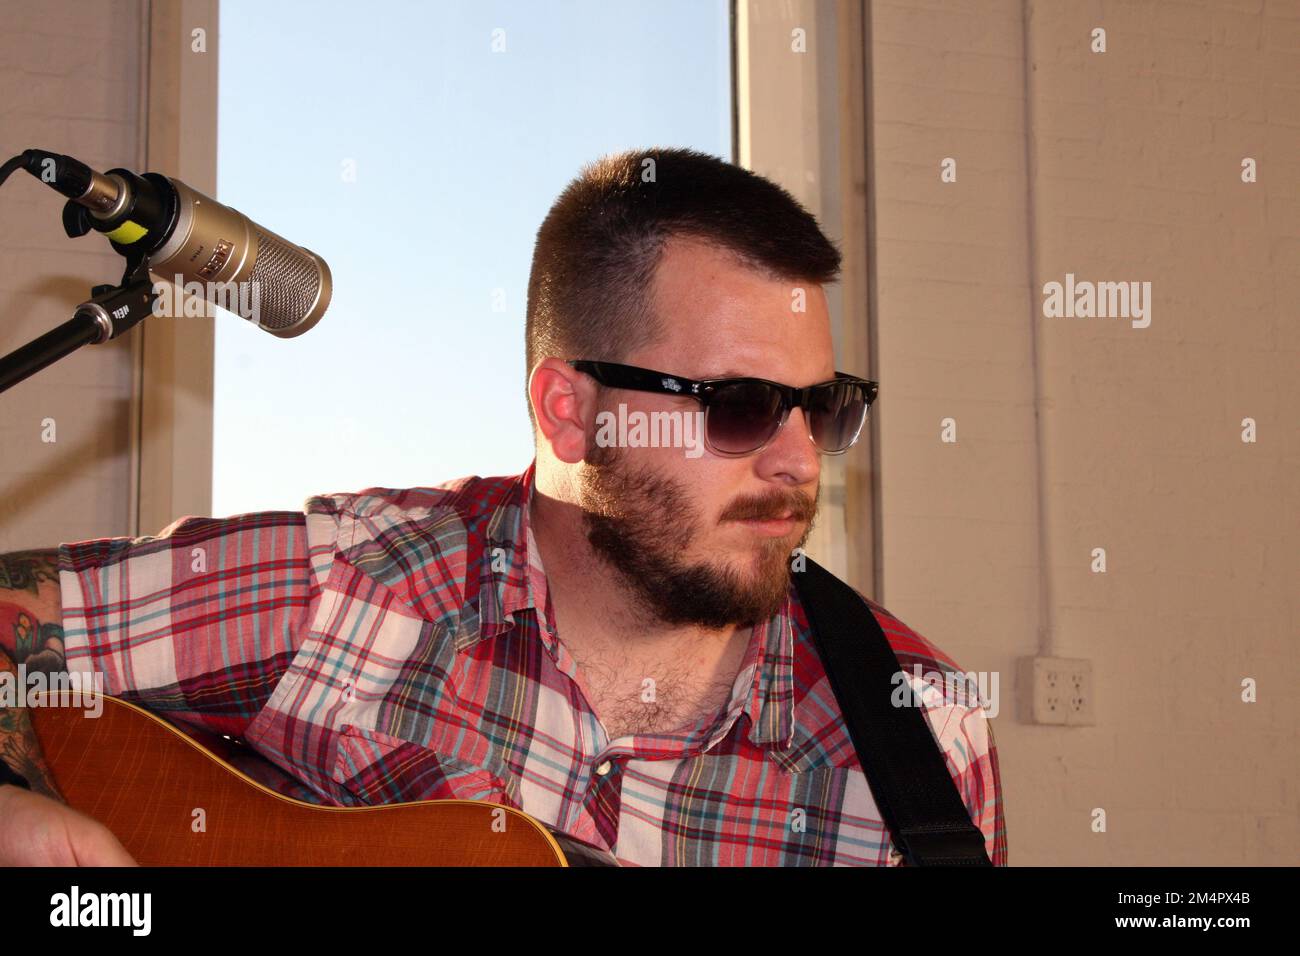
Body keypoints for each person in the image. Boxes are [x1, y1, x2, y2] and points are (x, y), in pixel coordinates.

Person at [0, 146, 1006, 866]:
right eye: (740, 405)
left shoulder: (920, 736)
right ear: (568, 413)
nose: (797, 460)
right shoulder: (348, 586)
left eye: (823, 407)